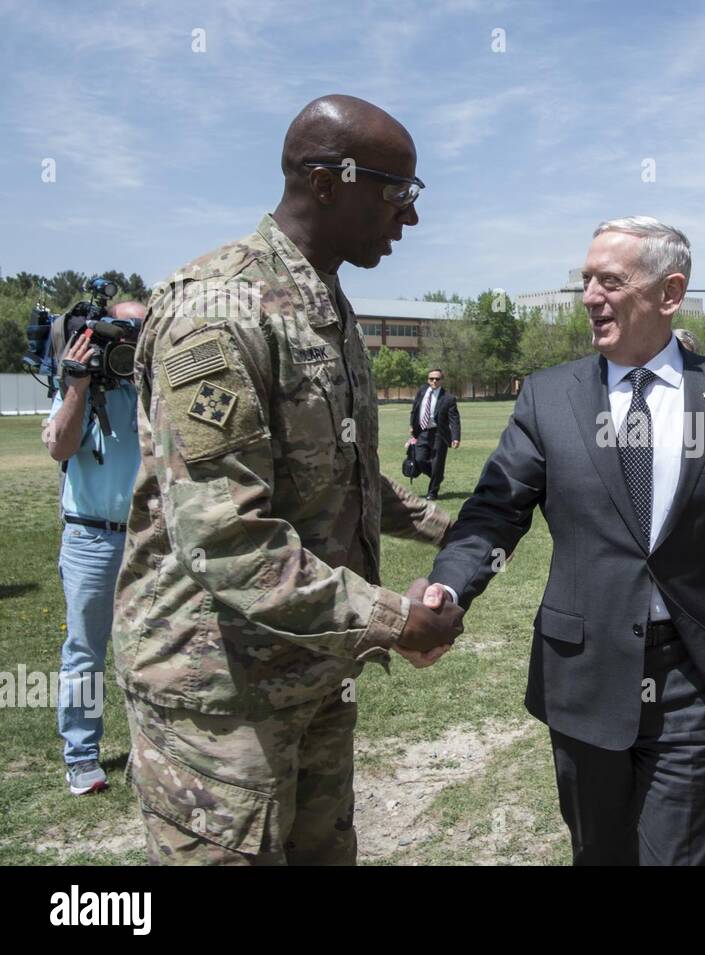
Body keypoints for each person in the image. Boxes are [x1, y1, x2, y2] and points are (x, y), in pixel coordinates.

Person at [113, 94, 463, 865]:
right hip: (219, 702)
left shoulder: (323, 304)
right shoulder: (216, 311)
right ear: (326, 180)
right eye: (396, 191)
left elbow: (343, 474)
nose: (408, 216)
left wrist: (456, 529)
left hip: (311, 680)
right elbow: (229, 536)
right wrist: (393, 616)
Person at [410, 216, 705, 865]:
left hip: (695, 678)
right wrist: (451, 584)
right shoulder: (548, 397)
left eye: (611, 281)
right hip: (583, 676)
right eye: (586, 280)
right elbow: (494, 512)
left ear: (670, 291)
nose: (590, 296)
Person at [42, 301, 145, 795]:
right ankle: (82, 756)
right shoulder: (77, 389)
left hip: (151, 540)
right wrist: (78, 385)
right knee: (86, 651)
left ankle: (156, 745)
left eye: (140, 330)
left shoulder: (152, 388)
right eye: (121, 331)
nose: (131, 340)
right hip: (92, 539)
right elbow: (60, 447)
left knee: (158, 645)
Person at [407, 367, 460, 500]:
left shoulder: (448, 398)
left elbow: (454, 419)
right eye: (432, 378)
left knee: (437, 463)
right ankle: (438, 476)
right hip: (422, 432)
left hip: (439, 434)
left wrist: (456, 437)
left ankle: (432, 492)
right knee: (419, 460)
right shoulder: (422, 391)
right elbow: (415, 409)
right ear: (428, 380)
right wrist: (411, 425)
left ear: (441, 380)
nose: (434, 381)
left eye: (437, 379)